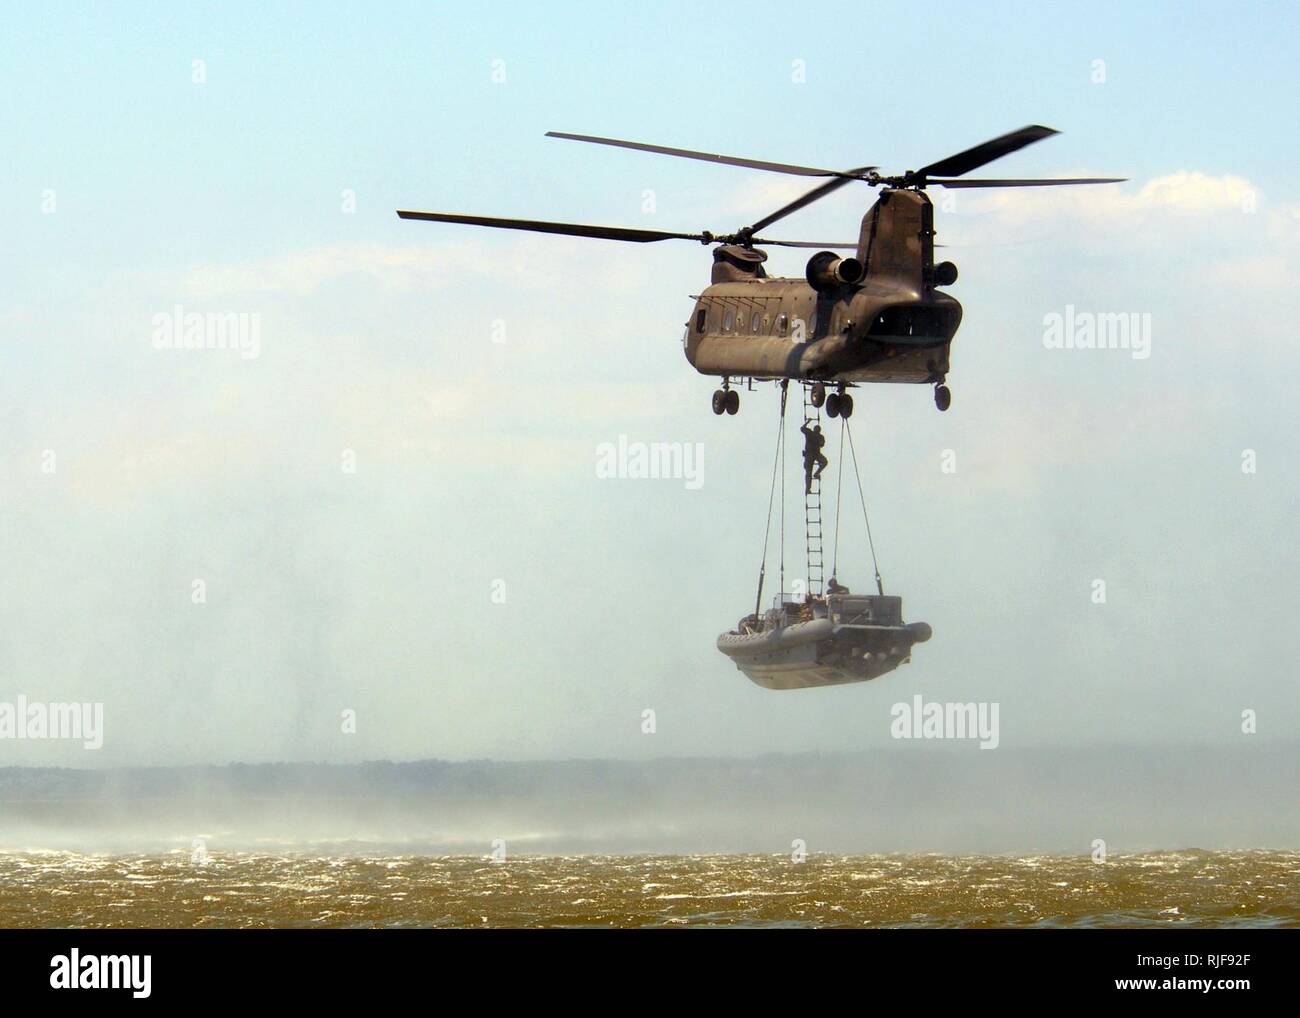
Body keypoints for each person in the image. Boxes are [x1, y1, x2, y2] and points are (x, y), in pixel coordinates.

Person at [801, 422, 828, 494]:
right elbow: (822, 444)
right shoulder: (818, 436)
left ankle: (808, 488)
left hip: (812, 454)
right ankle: (808, 487)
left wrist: (808, 422)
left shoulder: (810, 432)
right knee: (824, 462)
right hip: (813, 454)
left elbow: (802, 428)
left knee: (808, 473)